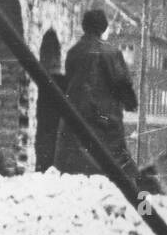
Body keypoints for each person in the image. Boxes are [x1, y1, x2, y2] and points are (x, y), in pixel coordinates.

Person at [54, 9, 140, 185]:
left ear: (84, 26)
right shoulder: (111, 52)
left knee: (76, 168)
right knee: (114, 166)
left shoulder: (73, 52)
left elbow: (70, 80)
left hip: (76, 118)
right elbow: (122, 82)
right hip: (104, 120)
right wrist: (130, 102)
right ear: (103, 27)